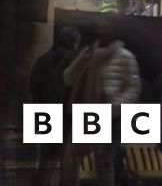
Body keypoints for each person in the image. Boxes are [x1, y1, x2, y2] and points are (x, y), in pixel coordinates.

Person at [62, 17, 141, 186]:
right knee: (71, 158)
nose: (101, 32)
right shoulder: (89, 53)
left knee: (104, 162)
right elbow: (68, 78)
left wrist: (113, 107)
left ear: (115, 32)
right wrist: (82, 59)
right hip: (86, 115)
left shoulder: (125, 57)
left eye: (106, 28)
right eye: (99, 28)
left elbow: (133, 89)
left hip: (109, 118)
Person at [30, 27, 80, 186]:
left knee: (45, 158)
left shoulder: (42, 59)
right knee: (67, 159)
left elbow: (33, 84)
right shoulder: (73, 59)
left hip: (42, 112)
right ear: (73, 42)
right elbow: (75, 88)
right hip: (65, 114)